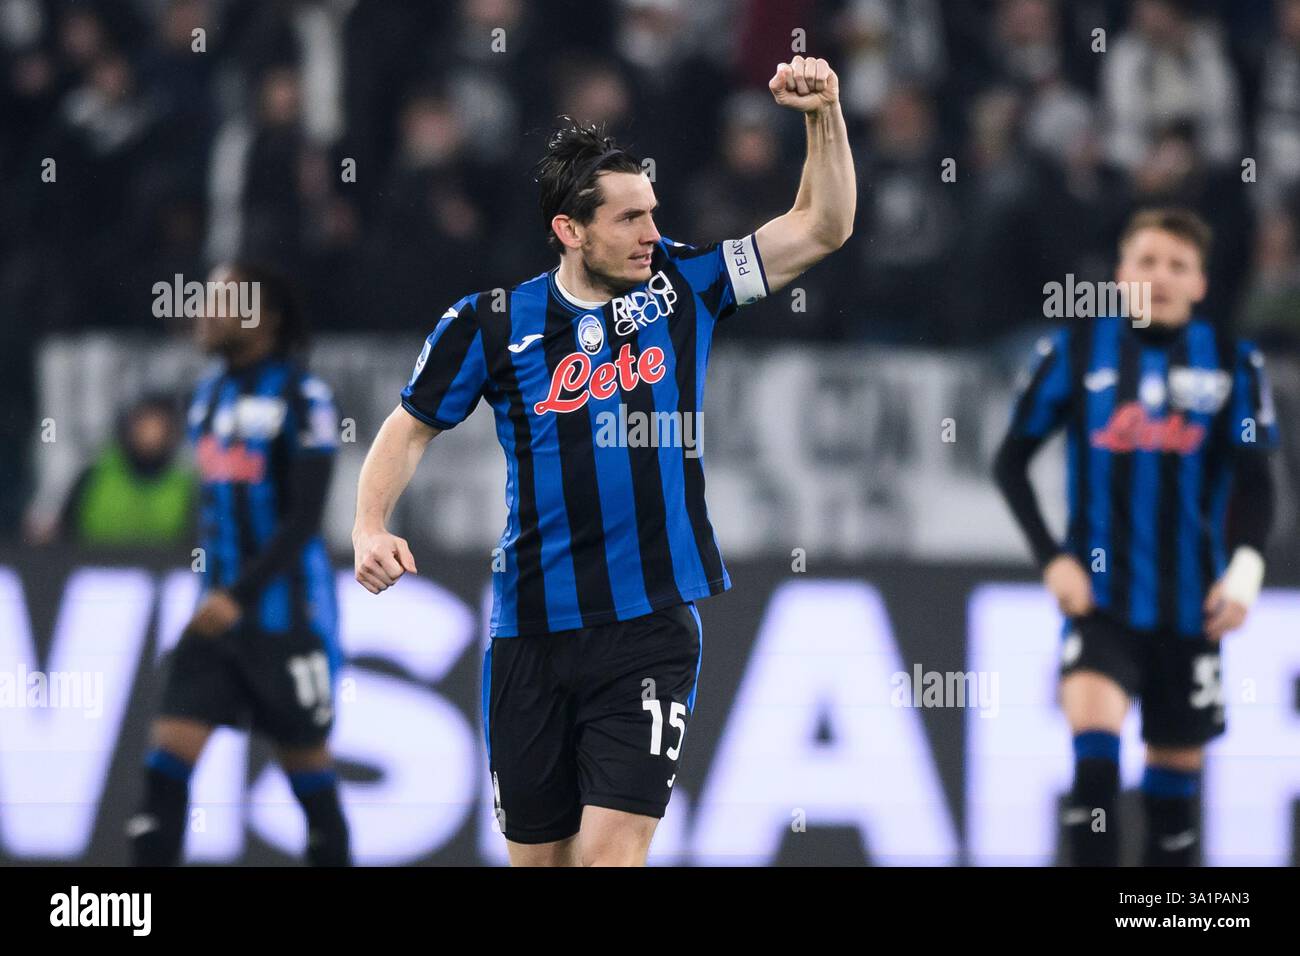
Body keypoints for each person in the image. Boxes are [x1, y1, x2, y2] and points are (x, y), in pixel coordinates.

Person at [352, 56, 855, 866]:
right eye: (628, 220)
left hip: (649, 627)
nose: (651, 234)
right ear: (570, 230)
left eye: (652, 213)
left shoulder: (685, 285)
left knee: (609, 859)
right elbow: (409, 426)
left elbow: (821, 226)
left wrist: (824, 115)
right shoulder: (491, 324)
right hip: (531, 634)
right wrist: (369, 525)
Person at [993, 207, 1279, 866]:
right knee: (1095, 772)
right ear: (1121, 274)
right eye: (1147, 262)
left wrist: (1245, 574)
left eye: (1177, 265)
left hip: (1192, 614)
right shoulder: (1075, 352)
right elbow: (1011, 462)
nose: (1160, 276)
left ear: (1201, 283)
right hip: (1102, 606)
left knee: (1171, 811)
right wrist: (1052, 561)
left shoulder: (1234, 366)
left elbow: (1260, 486)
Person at [128, 261, 349, 866]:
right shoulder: (207, 397)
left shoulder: (303, 398)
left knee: (311, 785)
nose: (203, 311)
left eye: (223, 299)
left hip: (285, 624)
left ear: (265, 318)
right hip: (215, 626)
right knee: (163, 774)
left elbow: (304, 517)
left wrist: (240, 595)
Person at [59, 394, 195, 547]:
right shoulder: (96, 474)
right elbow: (65, 530)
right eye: (144, 425)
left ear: (172, 434)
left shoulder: (185, 484)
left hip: (162, 568)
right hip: (93, 566)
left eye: (158, 427)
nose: (150, 435)